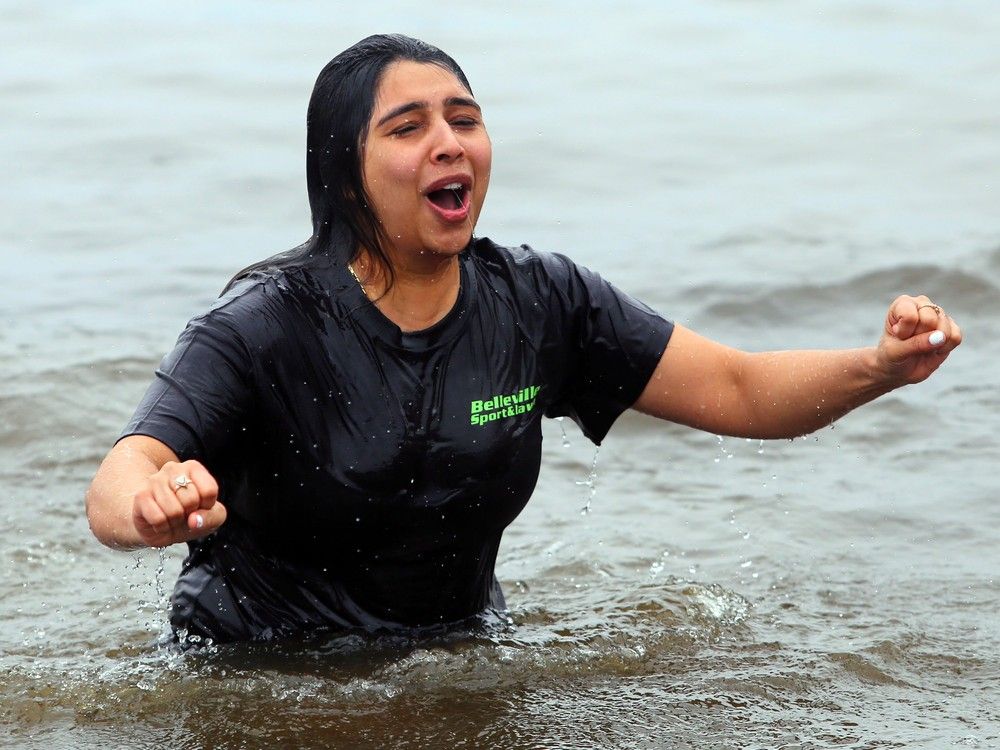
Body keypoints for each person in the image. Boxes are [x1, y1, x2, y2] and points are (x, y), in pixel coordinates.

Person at [85, 34, 962, 645]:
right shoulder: (263, 325)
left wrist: (879, 367)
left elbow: (737, 389)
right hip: (259, 666)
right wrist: (151, 506)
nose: (448, 143)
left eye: (463, 119)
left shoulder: (538, 301)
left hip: (459, 650)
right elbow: (121, 477)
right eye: (408, 128)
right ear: (344, 174)